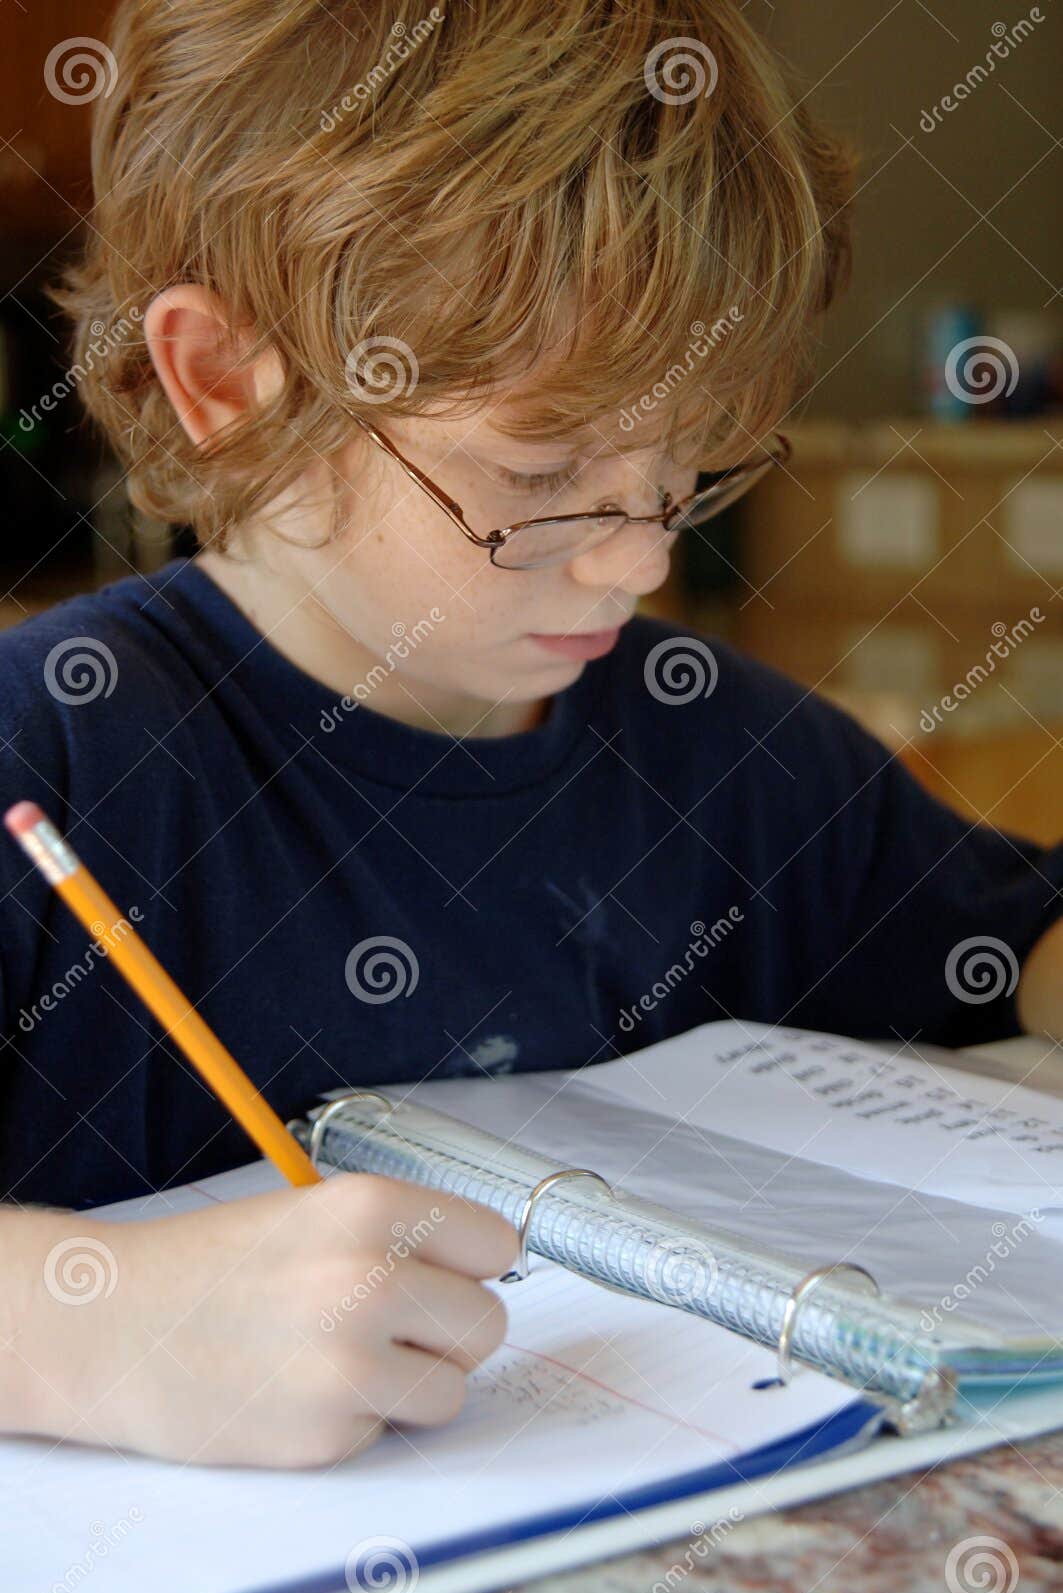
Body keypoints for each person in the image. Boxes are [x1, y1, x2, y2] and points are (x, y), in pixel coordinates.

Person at [1, 1, 1060, 1468]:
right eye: (544, 473)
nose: (637, 559)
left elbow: (1021, 950)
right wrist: (93, 1330)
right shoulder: (50, 757)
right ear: (229, 384)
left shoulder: (720, 755)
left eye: (688, 464)